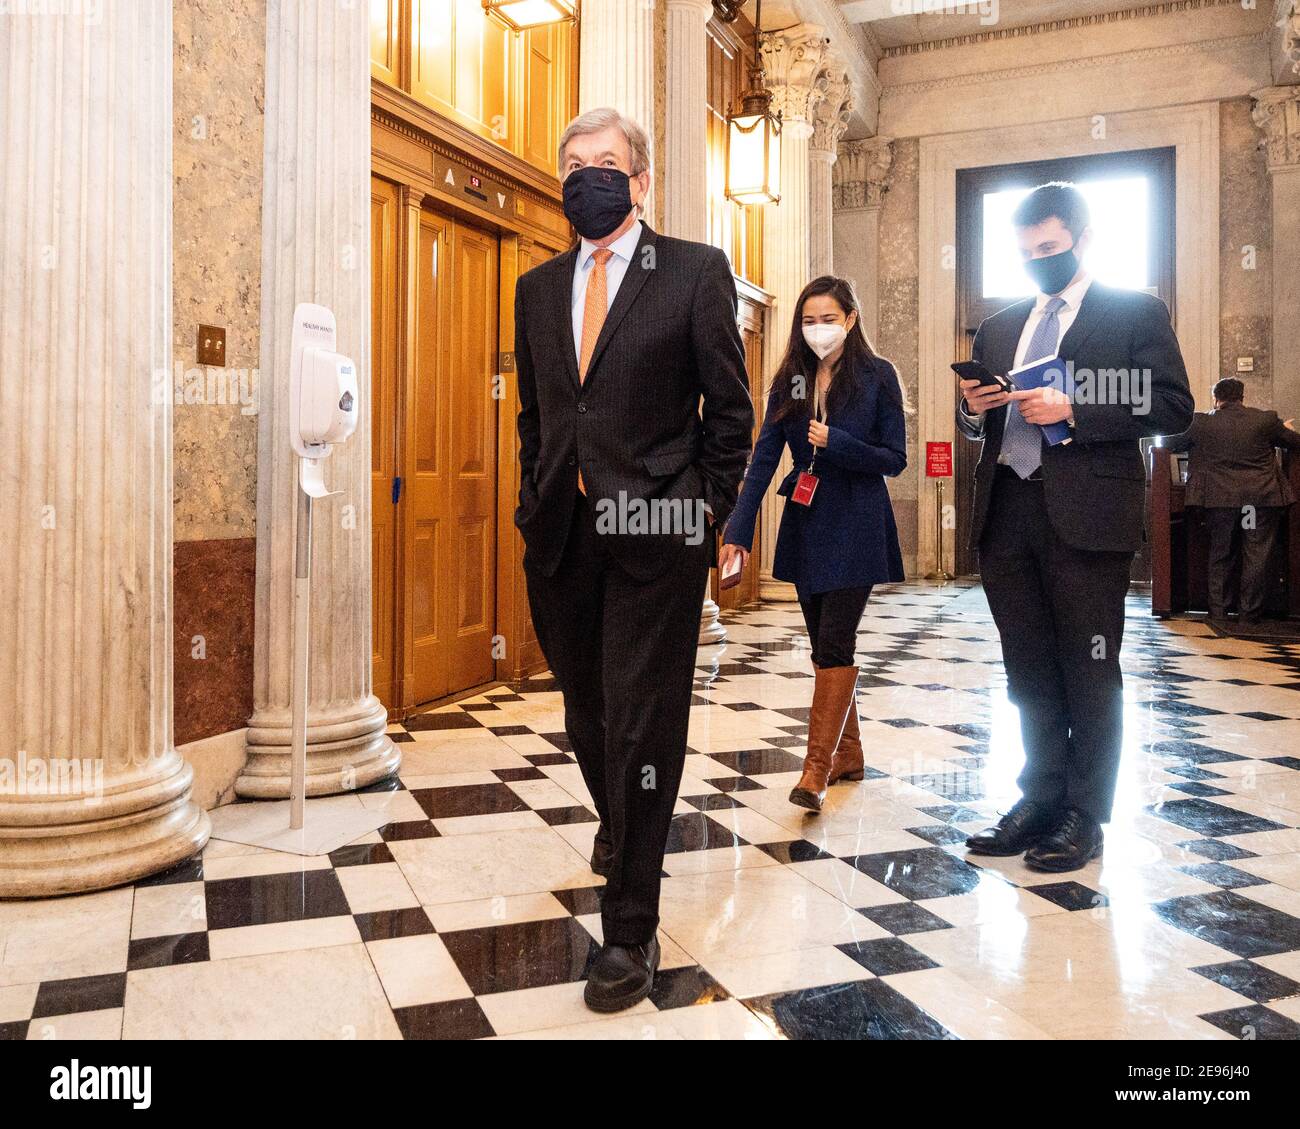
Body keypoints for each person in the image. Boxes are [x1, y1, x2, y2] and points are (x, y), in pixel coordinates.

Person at [513, 108, 753, 1012]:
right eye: (572, 164)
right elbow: (539, 415)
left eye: (605, 165)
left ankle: (629, 925)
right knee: (587, 709)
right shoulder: (537, 288)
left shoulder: (692, 272)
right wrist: (530, 506)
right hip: (563, 539)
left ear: (640, 181)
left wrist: (700, 517)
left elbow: (730, 418)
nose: (587, 178)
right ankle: (621, 821)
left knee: (643, 719)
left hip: (658, 538)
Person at [956, 182, 1193, 873]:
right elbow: (983, 422)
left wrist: (1076, 405)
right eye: (1026, 251)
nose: (1038, 260)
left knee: (1089, 667)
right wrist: (975, 411)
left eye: (1049, 248)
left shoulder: (1133, 312)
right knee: (1027, 668)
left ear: (1083, 240)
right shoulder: (999, 327)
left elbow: (1173, 405)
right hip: (1008, 512)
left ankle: (1084, 813)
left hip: (1088, 516)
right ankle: (1039, 794)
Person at [720, 276, 907, 812]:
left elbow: (894, 458)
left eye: (828, 318)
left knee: (833, 642)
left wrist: (839, 443)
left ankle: (815, 770)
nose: (817, 329)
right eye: (808, 320)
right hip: (807, 525)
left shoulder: (877, 376)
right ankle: (848, 752)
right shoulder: (790, 381)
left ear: (850, 319)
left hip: (858, 523)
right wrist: (738, 530)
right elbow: (762, 461)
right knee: (822, 644)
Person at [1164, 378, 1300, 624]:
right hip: (1260, 499)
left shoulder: (1201, 422)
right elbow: (1295, 443)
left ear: (1216, 399)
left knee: (1220, 554)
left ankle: (1218, 612)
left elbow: (1168, 443)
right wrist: (1287, 430)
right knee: (1257, 555)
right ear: (1242, 397)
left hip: (1220, 500)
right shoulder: (1265, 420)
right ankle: (1249, 614)